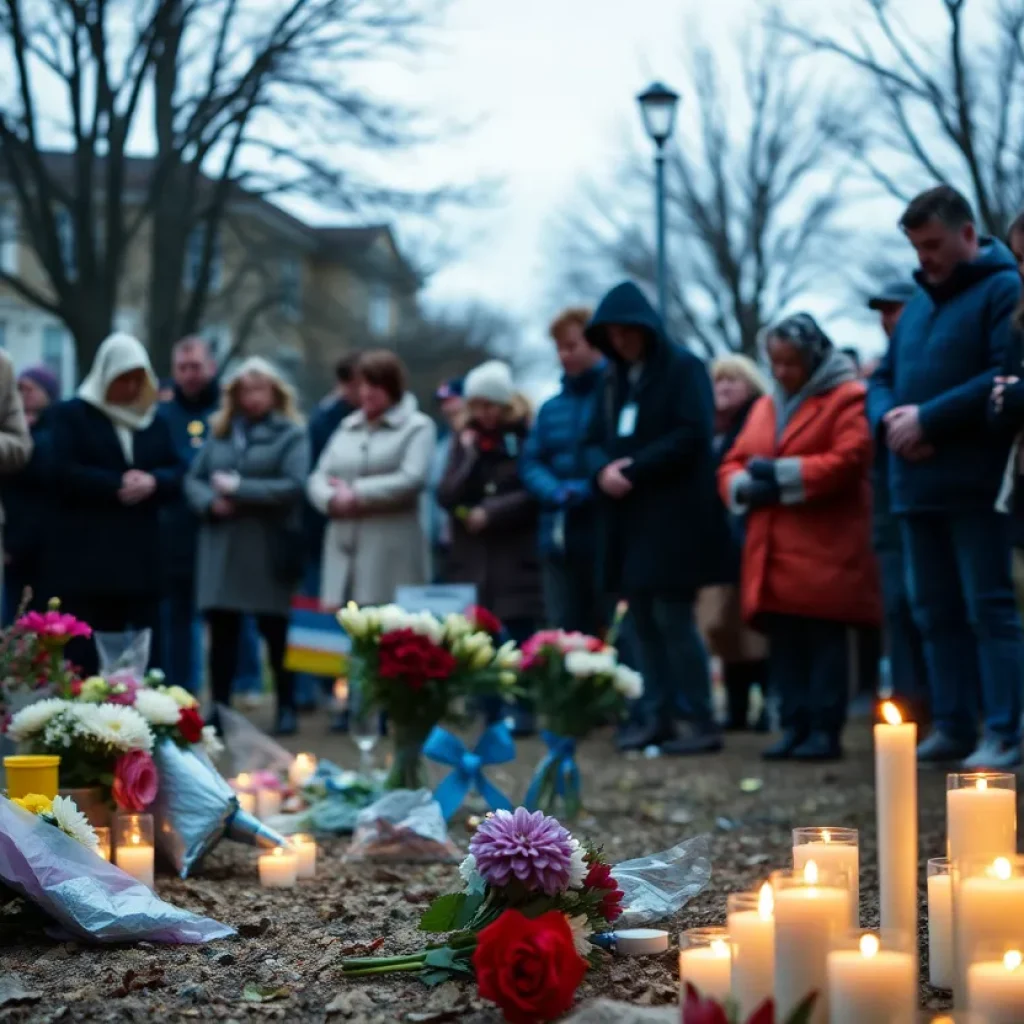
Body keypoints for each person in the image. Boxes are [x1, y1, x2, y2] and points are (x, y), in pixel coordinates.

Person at [868, 185, 1024, 769]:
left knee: (988, 607)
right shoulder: (917, 306)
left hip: (974, 484)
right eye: (916, 246)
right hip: (914, 490)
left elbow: (1001, 379)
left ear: (965, 234)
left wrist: (930, 418)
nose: (923, 257)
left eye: (932, 244)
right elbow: (882, 378)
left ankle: (1005, 730)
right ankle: (955, 726)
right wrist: (889, 418)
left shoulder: (1003, 288)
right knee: (932, 613)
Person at [720, 315, 879, 761]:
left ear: (813, 356)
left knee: (824, 641)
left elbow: (849, 459)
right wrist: (743, 487)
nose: (782, 371)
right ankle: (793, 726)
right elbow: (733, 460)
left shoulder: (847, 397)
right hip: (772, 549)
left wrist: (782, 476)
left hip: (825, 546)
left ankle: (824, 731)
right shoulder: (767, 406)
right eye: (775, 363)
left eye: (791, 362)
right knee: (786, 642)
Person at [583, 282, 731, 756]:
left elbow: (693, 433)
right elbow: (590, 441)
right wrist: (601, 470)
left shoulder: (684, 369)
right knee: (641, 622)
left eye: (628, 332)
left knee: (672, 618)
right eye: (613, 335)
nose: (622, 342)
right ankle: (657, 715)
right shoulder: (614, 380)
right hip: (628, 524)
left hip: (672, 523)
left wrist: (633, 468)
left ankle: (697, 718)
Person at [185, 357, 308, 736]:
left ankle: (286, 706)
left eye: (259, 389)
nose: (252, 398)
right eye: (244, 391)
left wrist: (241, 490)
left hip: (265, 548)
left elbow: (294, 484)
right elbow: (194, 479)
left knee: (276, 632)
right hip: (223, 548)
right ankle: (219, 708)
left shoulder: (291, 433)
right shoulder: (220, 431)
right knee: (222, 633)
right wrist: (209, 501)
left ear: (274, 393)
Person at [48, 333, 182, 674]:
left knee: (146, 649)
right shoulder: (72, 415)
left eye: (139, 380)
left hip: (142, 557)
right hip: (90, 556)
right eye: (124, 380)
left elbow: (177, 469)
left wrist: (154, 481)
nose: (132, 389)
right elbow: (60, 470)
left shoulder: (155, 421)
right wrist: (114, 484)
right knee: (88, 649)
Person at [308, 349, 436, 608]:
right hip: (342, 554)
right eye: (363, 385)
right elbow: (318, 476)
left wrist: (356, 493)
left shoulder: (418, 427)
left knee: (385, 635)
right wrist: (331, 498)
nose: (366, 392)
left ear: (392, 387)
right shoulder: (347, 427)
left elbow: (412, 478)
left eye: (375, 385)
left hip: (389, 557)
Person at [437, 360, 540, 644]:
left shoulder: (525, 435)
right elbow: (445, 495)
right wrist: (468, 458)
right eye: (477, 405)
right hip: (471, 564)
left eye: (491, 405)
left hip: (514, 564)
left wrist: (491, 513)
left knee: (517, 647)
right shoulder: (464, 438)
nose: (484, 414)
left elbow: (532, 490)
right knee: (477, 653)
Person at [866, 280, 930, 723]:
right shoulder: (888, 370)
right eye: (882, 313)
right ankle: (908, 707)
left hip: (931, 494)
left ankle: (946, 704)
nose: (888, 320)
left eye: (895, 310)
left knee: (932, 606)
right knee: (897, 609)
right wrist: (886, 419)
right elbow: (877, 394)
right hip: (892, 506)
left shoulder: (928, 355)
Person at [521, 307, 606, 635]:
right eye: (559, 348)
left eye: (571, 346)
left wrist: (591, 487)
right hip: (559, 534)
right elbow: (531, 462)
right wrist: (554, 491)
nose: (564, 355)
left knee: (615, 627)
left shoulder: (615, 396)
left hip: (604, 529)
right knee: (565, 629)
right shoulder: (551, 408)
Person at [700, 355, 770, 732]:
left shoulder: (759, 420)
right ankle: (737, 707)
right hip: (718, 540)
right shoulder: (709, 430)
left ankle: (764, 707)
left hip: (749, 533)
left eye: (733, 381)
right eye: (719, 382)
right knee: (723, 624)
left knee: (754, 626)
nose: (723, 389)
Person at [297, 353, 361, 711]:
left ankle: (343, 691)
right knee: (321, 612)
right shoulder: (325, 420)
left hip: (355, 529)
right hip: (322, 530)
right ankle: (318, 690)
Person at [157, 337, 221, 694]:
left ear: (210, 367)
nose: (189, 374)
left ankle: (236, 686)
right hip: (175, 533)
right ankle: (182, 689)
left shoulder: (227, 413)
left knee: (225, 620)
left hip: (222, 527)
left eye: (196, 366)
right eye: (182, 368)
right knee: (178, 615)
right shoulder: (163, 415)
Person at [2, 367, 58, 620]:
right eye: (20, 388)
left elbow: (46, 467)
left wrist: (29, 438)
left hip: (46, 543)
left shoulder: (56, 426)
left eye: (30, 389)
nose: (24, 394)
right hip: (13, 539)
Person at [426, 379, 465, 583]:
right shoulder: (440, 445)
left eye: (451, 400)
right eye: (443, 402)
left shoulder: (476, 442)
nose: (447, 407)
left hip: (469, 539)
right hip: (440, 540)